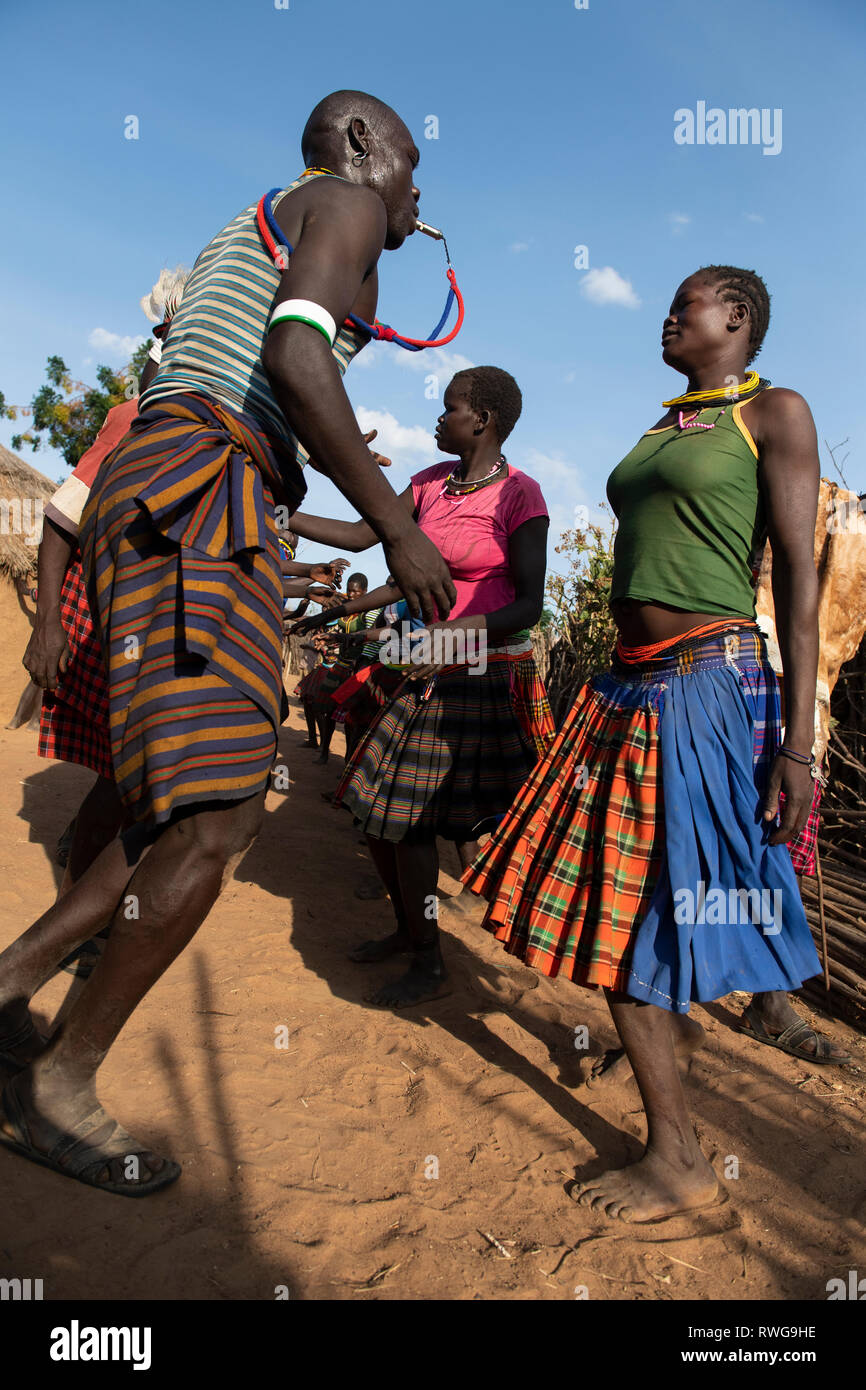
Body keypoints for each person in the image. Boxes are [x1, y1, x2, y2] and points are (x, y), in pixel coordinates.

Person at [0, 90, 455, 1195]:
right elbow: (296, 373)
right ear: (357, 146)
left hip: (201, 496)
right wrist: (397, 532)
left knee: (174, 803)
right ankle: (58, 1083)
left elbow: (293, 363)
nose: (417, 189)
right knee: (217, 817)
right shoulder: (341, 197)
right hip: (199, 492)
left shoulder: (286, 221)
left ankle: (12, 989)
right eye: (408, 161)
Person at [464, 266, 826, 1222]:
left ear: (739, 319)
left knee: (627, 917)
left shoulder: (775, 412)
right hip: (624, 683)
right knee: (615, 905)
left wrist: (800, 742)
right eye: (666, 302)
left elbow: (798, 582)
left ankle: (679, 1159)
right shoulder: (664, 423)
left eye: (691, 301)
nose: (670, 314)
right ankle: (671, 1085)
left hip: (702, 680)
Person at [290, 366, 555, 1008]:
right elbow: (362, 535)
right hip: (427, 670)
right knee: (384, 819)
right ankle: (417, 938)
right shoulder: (428, 485)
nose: (440, 418)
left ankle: (443, 954)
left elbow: (528, 606)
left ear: (483, 420)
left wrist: (444, 642)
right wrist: (284, 514)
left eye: (451, 407)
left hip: (486, 675)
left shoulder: (521, 495)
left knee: (441, 826)